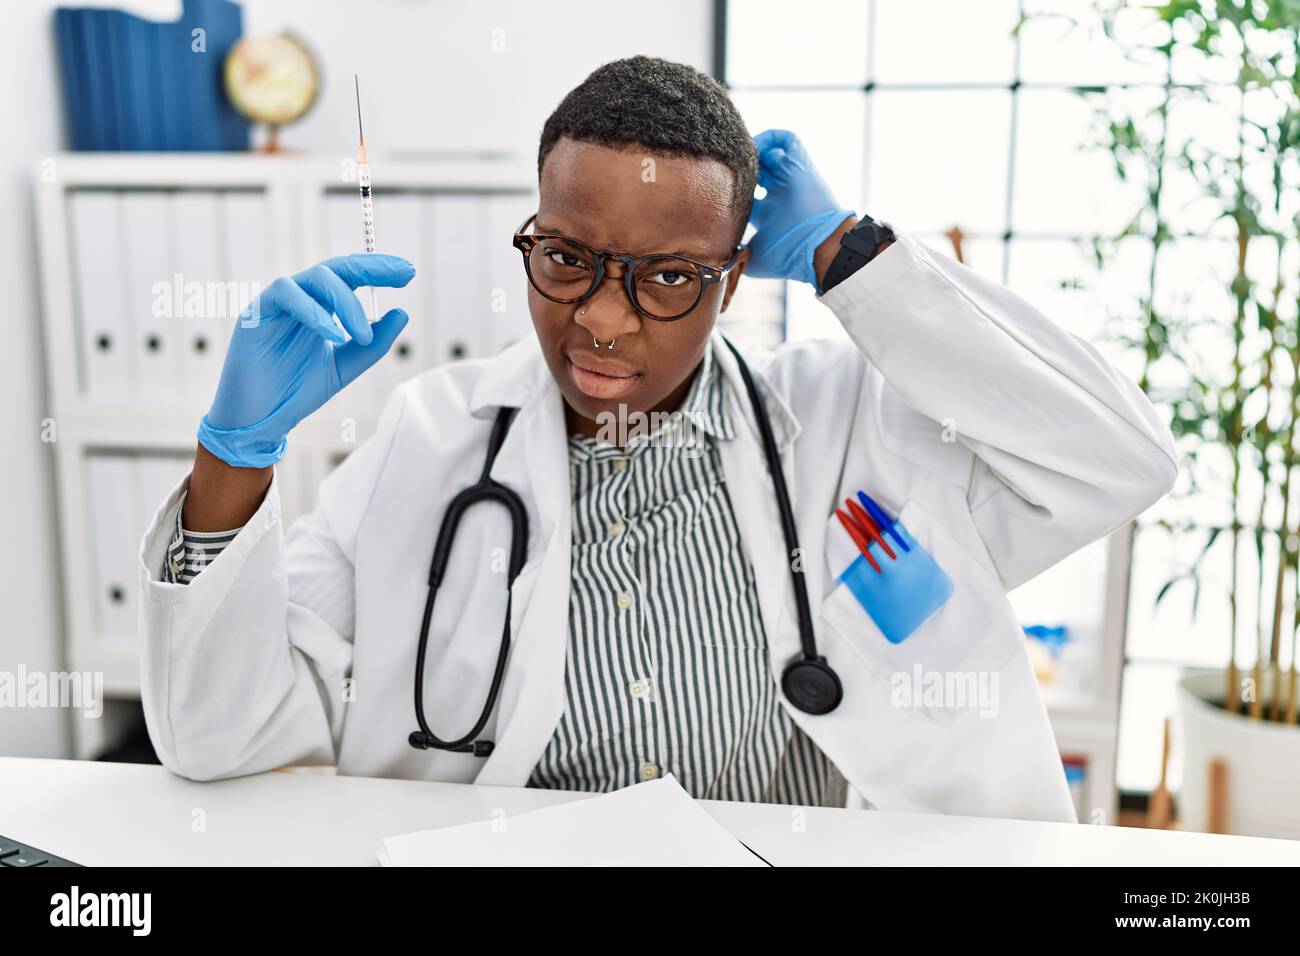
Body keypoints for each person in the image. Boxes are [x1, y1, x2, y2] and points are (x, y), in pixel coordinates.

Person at [138, 56, 1177, 821]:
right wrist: (235, 454)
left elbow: (1120, 459)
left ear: (730, 279)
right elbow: (217, 738)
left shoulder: (851, 427)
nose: (601, 318)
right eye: (565, 256)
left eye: (668, 276)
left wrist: (847, 254)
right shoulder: (429, 441)